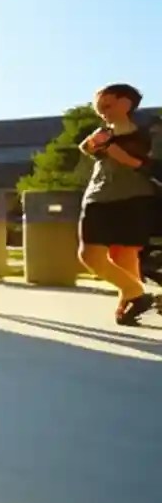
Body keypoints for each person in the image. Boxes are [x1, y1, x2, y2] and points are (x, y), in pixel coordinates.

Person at [76, 83, 156, 325]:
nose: (103, 112)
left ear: (126, 104)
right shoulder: (103, 131)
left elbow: (139, 163)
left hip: (133, 197)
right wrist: (92, 145)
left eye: (107, 105)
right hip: (99, 196)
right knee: (90, 255)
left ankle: (130, 304)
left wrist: (110, 148)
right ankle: (138, 293)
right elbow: (86, 149)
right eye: (99, 108)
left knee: (125, 254)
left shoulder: (145, 133)